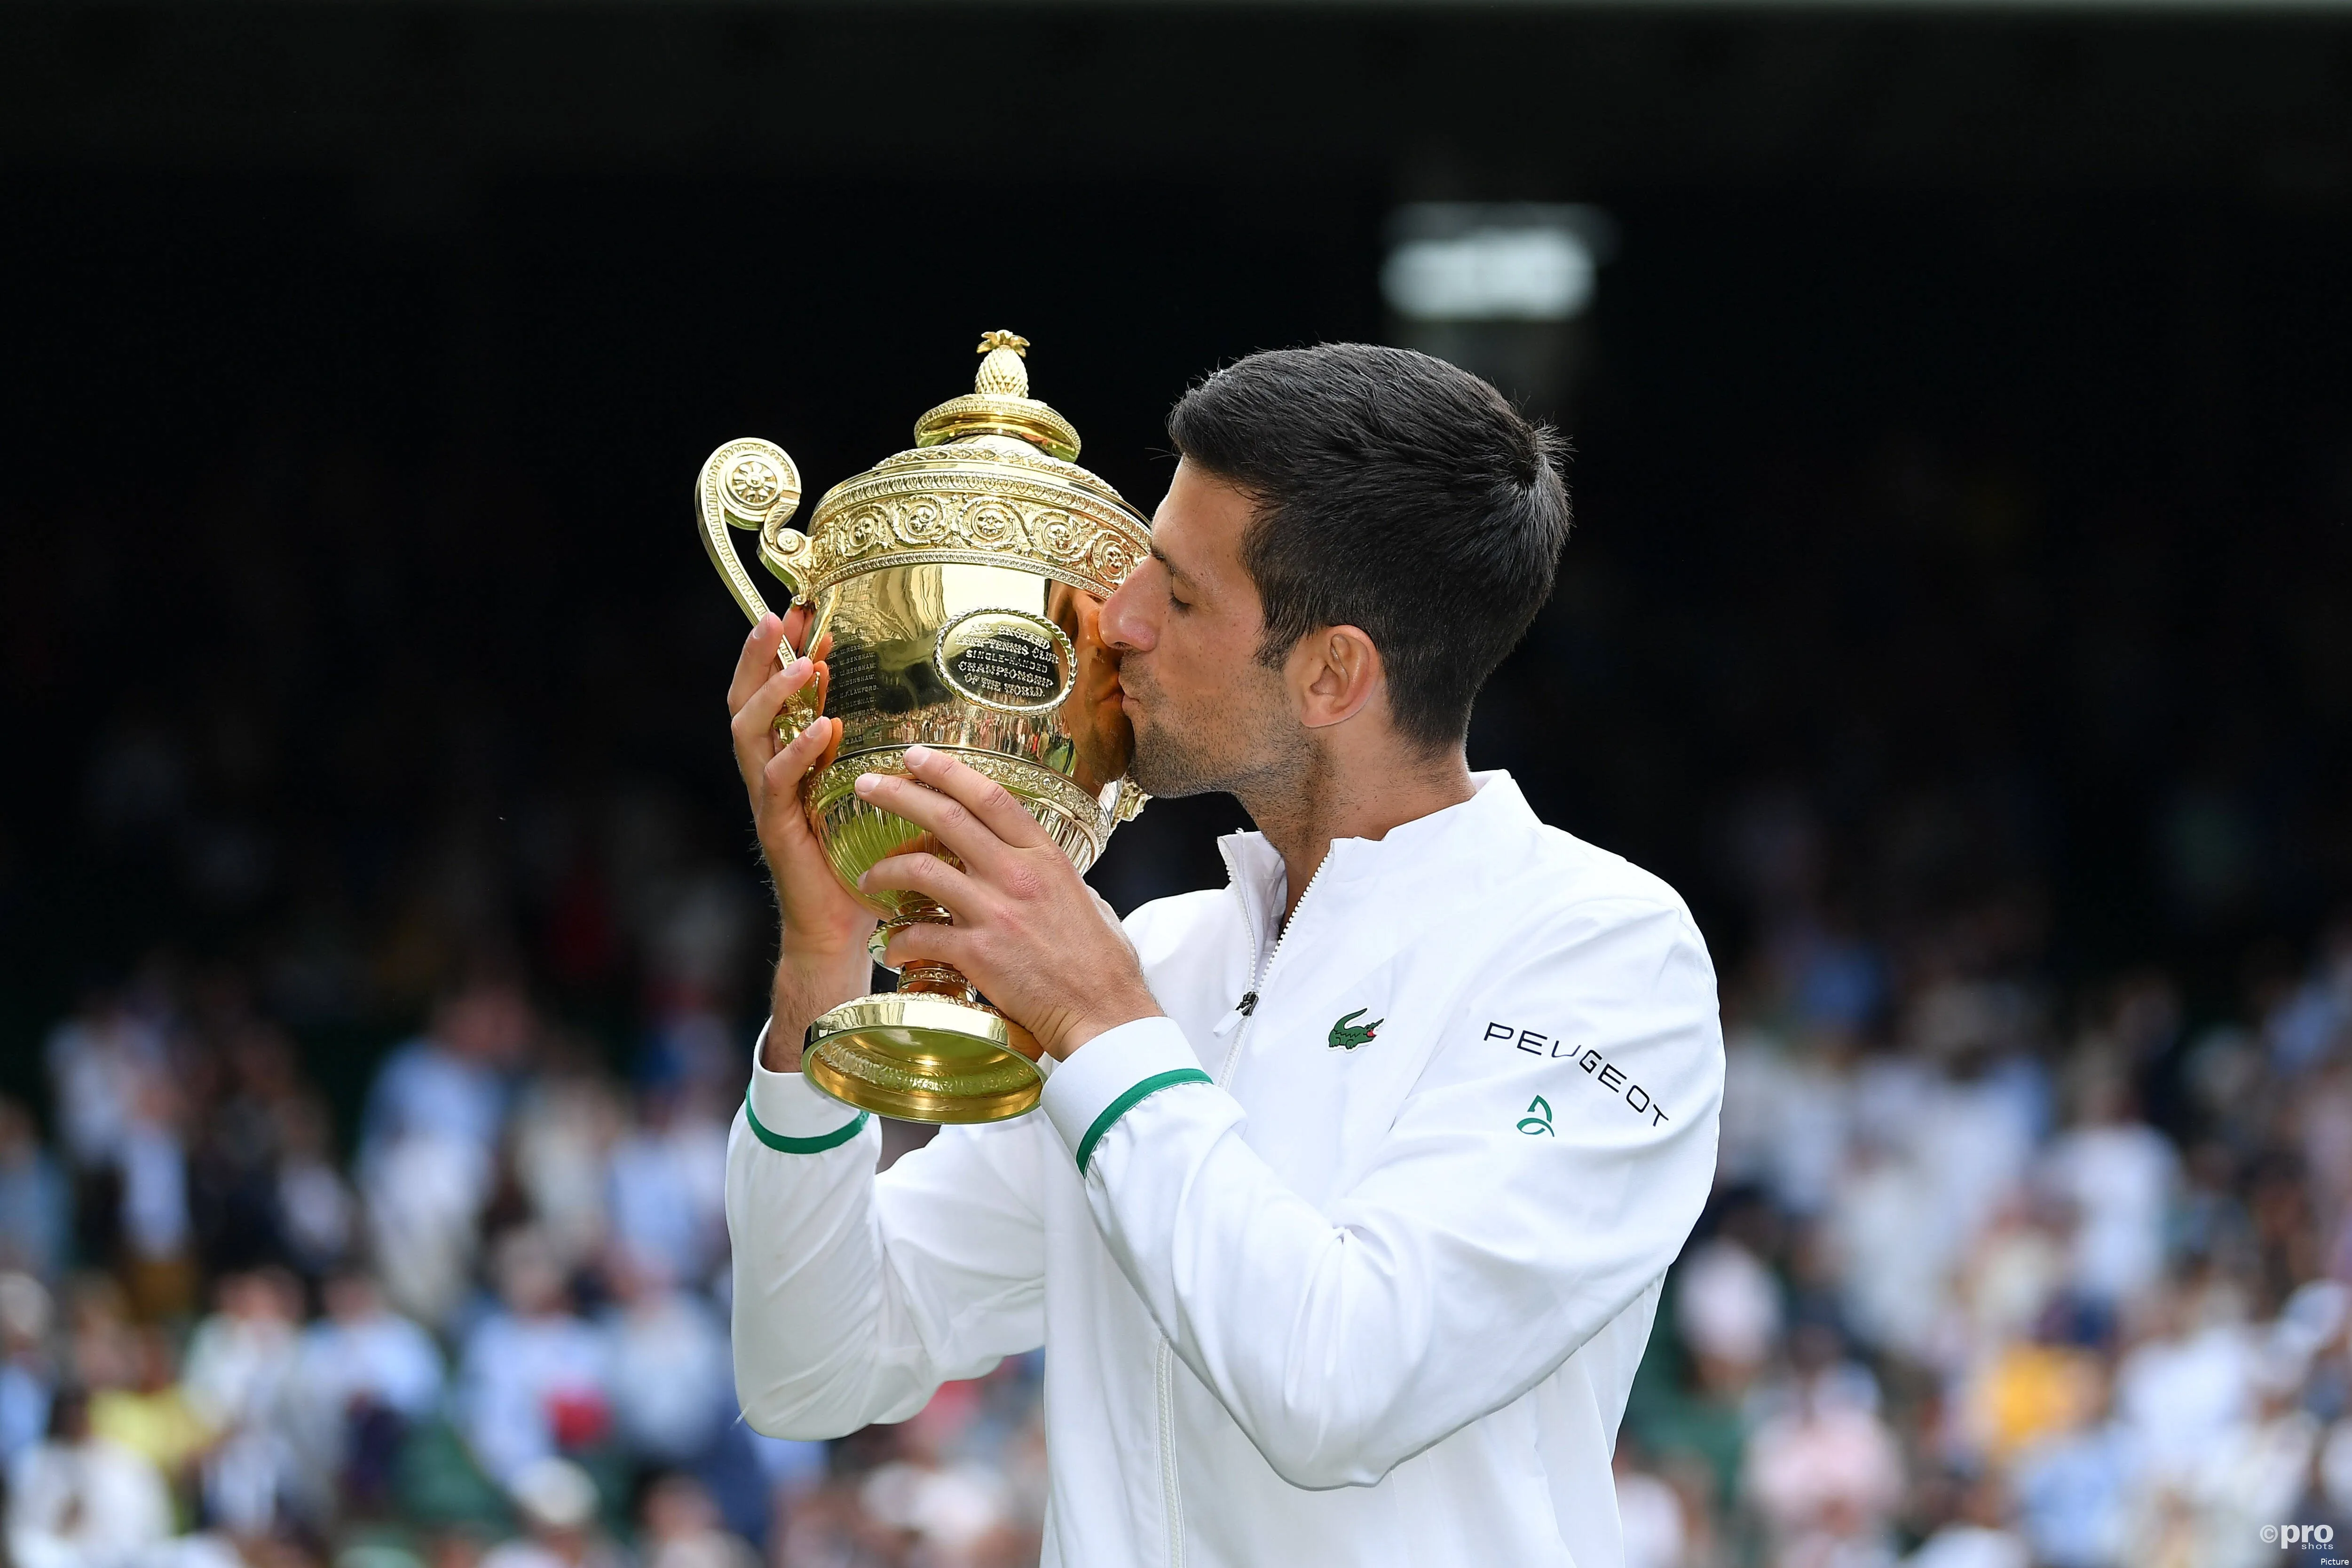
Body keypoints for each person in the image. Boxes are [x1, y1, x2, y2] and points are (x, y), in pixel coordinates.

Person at [724, 344, 1726, 1567]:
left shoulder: (1607, 959)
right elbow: (812, 1366)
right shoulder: (1170, 959)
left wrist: (1104, 1030)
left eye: (1180, 594)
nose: (1117, 619)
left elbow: (1341, 1382)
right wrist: (823, 958)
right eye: (1143, 559)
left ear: (1332, 673)